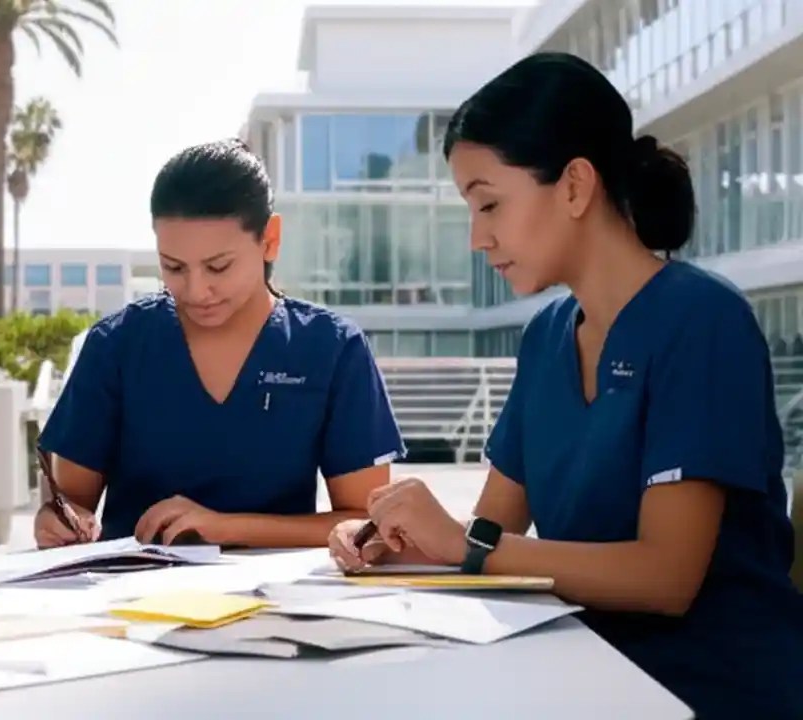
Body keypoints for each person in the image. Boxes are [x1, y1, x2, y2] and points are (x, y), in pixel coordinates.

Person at [329, 52, 803, 718]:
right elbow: (489, 538)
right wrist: (390, 547)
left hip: (705, 688)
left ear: (576, 186)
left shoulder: (702, 322)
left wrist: (462, 545)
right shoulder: (547, 337)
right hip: (577, 667)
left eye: (489, 203)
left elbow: (667, 578)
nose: (476, 238)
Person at [35, 139, 405, 549]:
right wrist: (58, 522)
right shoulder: (115, 345)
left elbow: (363, 524)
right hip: (132, 599)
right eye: (173, 267)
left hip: (277, 599)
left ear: (269, 240)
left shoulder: (333, 349)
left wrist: (226, 527)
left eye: (218, 266)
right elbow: (67, 506)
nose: (196, 291)